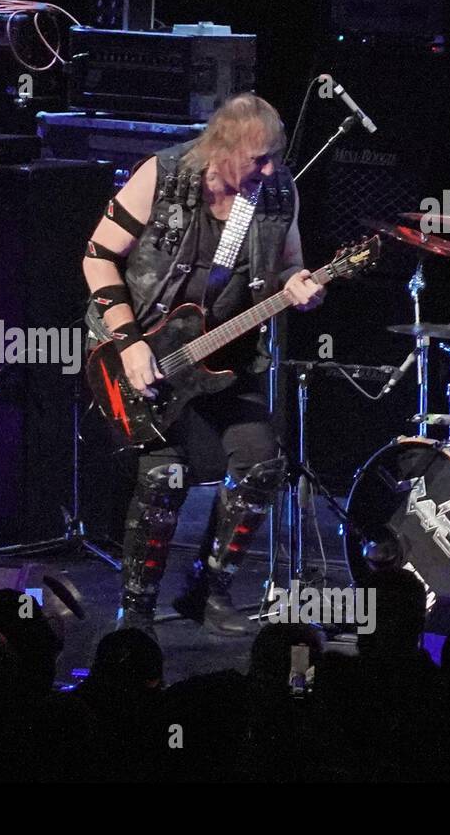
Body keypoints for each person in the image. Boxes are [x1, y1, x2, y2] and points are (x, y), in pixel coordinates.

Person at [81, 93, 324, 636]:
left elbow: (290, 264)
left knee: (262, 464)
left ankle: (207, 589)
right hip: (143, 352)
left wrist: (299, 287)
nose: (270, 169)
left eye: (274, 157)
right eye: (259, 158)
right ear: (222, 148)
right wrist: (129, 342)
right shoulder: (162, 175)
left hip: (224, 357)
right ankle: (137, 611)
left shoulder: (276, 193)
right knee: (165, 475)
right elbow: (98, 256)